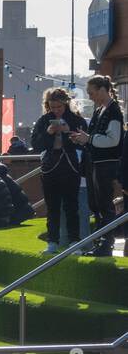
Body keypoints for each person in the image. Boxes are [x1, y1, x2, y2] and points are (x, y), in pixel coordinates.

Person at [31, 87, 88, 254]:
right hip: (50, 167)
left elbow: (84, 143)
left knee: (72, 205)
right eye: (52, 107)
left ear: (66, 104)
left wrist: (67, 131)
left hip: (70, 166)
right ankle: (53, 241)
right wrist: (49, 133)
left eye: (59, 107)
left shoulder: (76, 120)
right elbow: (36, 144)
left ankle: (74, 241)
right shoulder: (44, 120)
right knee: (53, 206)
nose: (56, 111)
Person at [79, 75, 123, 256]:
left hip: (106, 163)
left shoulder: (113, 111)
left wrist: (88, 139)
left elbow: (114, 140)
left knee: (104, 204)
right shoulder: (100, 111)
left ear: (102, 90)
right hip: (96, 162)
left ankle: (107, 243)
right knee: (96, 204)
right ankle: (101, 241)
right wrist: (84, 139)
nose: (90, 97)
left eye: (92, 93)